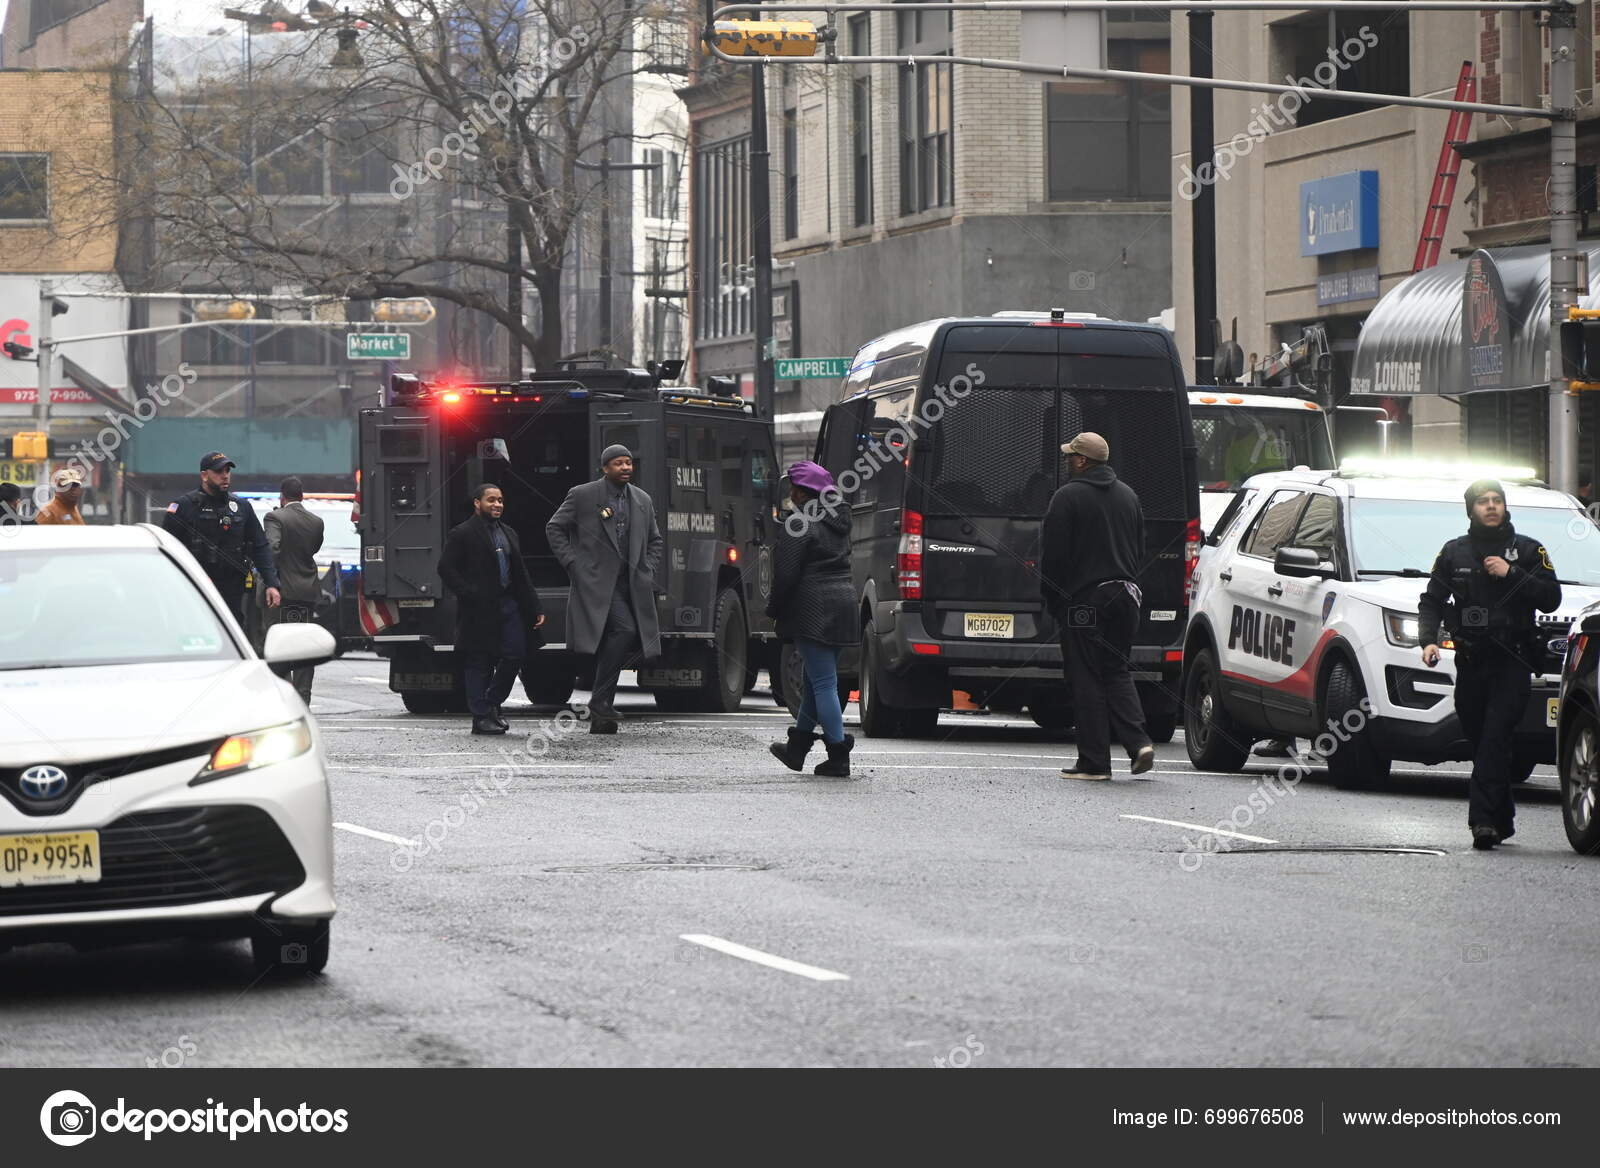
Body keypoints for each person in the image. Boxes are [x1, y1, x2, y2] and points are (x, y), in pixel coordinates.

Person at [1419, 479, 1561, 849]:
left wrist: (1511, 574)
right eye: (1483, 501)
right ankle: (1503, 816)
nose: (1492, 506)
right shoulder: (1454, 552)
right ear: (1471, 510)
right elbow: (1431, 600)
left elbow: (1551, 599)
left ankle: (1482, 822)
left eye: (1497, 500)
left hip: (1512, 662)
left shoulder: (1529, 550)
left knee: (1495, 737)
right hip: (1471, 662)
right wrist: (1428, 641)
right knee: (1482, 738)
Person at [1039, 432, 1155, 781]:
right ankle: (1138, 743)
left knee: (1085, 675)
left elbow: (1054, 557)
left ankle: (1094, 762)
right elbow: (1139, 548)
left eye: (1070, 456)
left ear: (1082, 461)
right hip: (1126, 595)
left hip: (1086, 601)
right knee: (1117, 670)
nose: (1066, 461)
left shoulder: (1067, 497)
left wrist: (1055, 599)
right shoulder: (1128, 496)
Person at [546, 445, 664, 734]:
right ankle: (600, 701)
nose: (625, 468)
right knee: (624, 631)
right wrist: (573, 564)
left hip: (631, 583)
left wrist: (647, 569)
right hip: (597, 582)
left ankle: (601, 716)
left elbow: (655, 540)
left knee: (614, 638)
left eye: (628, 463)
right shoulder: (583, 494)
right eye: (618, 463)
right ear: (605, 468)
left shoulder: (642, 500)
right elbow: (555, 527)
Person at [767, 461, 858, 777]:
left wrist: (774, 608)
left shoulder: (799, 522)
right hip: (843, 602)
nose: (790, 492)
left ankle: (837, 755)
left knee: (823, 682)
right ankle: (797, 749)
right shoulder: (840, 520)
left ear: (802, 491)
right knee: (814, 679)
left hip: (812, 606)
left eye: (793, 487)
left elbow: (786, 574)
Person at [437, 483, 546, 735]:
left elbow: (521, 574)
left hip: (509, 604)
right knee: (479, 660)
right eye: (491, 500)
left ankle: (491, 702)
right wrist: (468, 593)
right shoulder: (462, 533)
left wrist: (535, 606)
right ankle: (481, 717)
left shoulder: (508, 533)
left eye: (500, 500)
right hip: (478, 608)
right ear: (477, 503)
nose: (497, 505)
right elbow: (445, 568)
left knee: (516, 654)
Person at [163, 451, 280, 623]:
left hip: (232, 588)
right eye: (219, 472)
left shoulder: (241, 507)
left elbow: (260, 546)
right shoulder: (184, 506)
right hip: (195, 587)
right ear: (204, 475)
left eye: (227, 471)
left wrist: (272, 583)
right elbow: (167, 550)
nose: (225, 476)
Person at [264, 476, 326, 703]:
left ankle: (284, 700)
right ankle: (303, 699)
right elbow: (314, 548)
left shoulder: (274, 517)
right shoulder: (316, 521)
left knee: (278, 647)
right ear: (302, 495)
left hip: (282, 592)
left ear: (282, 496)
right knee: (303, 648)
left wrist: (271, 580)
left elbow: (272, 548)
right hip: (307, 593)